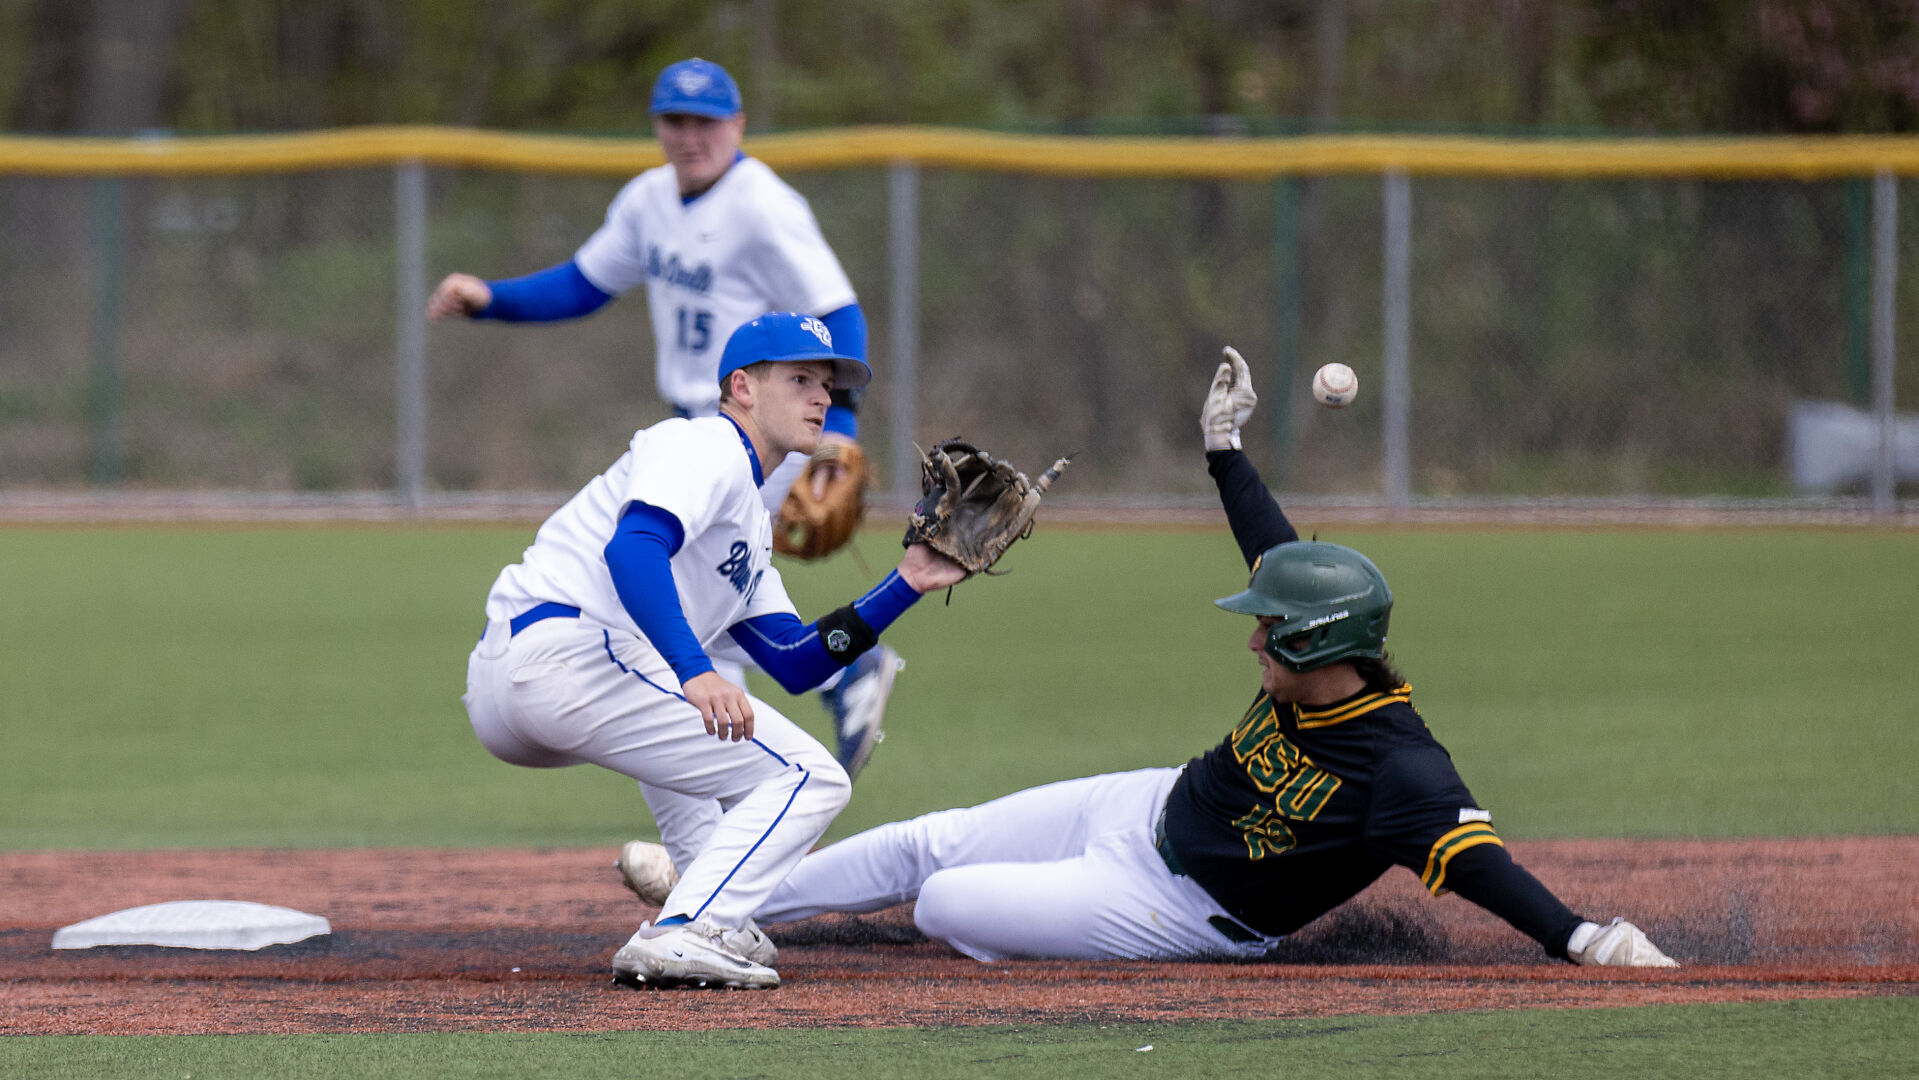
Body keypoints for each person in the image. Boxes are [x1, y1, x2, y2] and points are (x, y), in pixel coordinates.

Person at [617, 346, 1679, 969]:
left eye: (1269, 631)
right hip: (1147, 803)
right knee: (926, 841)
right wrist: (1223, 453)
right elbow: (1274, 550)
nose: (1252, 633)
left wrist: (1585, 939)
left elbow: (1482, 866)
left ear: (1320, 650)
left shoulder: (1400, 773)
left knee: (945, 900)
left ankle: (744, 899)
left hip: (1180, 912)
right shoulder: (1318, 644)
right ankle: (722, 896)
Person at [427, 57, 898, 782]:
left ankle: (840, 677)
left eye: (706, 121)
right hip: (703, 431)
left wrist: (839, 432)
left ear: (736, 125)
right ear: (657, 126)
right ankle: (805, 707)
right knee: (690, 605)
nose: (689, 135)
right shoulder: (648, 199)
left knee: (684, 594)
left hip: (766, 431)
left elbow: (840, 314)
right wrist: (492, 297)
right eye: (675, 120)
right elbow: (584, 285)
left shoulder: (761, 204)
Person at [462, 313, 967, 990]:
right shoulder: (705, 446)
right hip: (564, 653)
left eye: (827, 385)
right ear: (742, 388)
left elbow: (793, 659)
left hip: (536, 681)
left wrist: (905, 583)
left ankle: (706, 907)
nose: (821, 397)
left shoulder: (747, 527)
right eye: (799, 379)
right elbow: (633, 548)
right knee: (810, 778)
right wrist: (696, 670)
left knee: (697, 727)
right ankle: (685, 929)